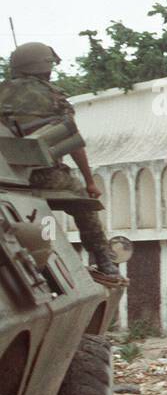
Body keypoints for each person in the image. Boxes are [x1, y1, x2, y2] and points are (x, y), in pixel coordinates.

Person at [0, 42, 121, 280]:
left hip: (6, 178)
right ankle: (103, 257)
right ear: (43, 67)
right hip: (42, 177)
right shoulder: (54, 97)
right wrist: (89, 182)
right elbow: (73, 142)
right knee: (83, 202)